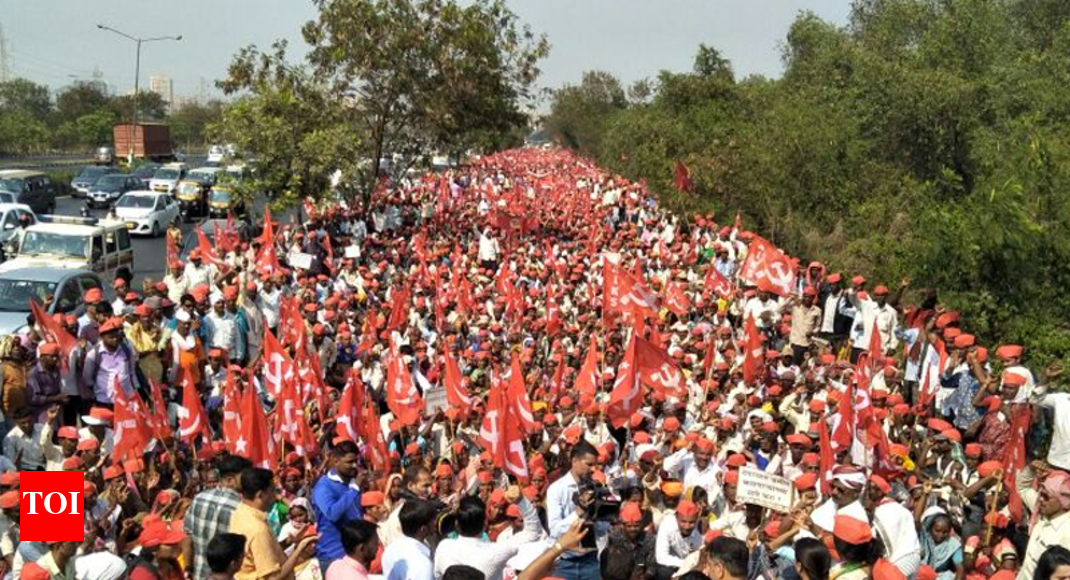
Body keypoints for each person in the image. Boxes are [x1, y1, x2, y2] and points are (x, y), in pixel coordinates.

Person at [228, 467, 320, 580]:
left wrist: (289, 541)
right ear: (260, 495)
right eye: (273, 490)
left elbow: (262, 551)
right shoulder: (258, 530)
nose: (276, 495)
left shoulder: (240, 511)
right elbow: (273, 577)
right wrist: (300, 549)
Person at [433, 489, 543, 580]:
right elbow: (533, 532)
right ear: (484, 523)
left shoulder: (444, 548)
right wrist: (521, 501)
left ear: (457, 523)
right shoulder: (495, 552)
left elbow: (437, 576)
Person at [182, 455, 253, 580]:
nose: (249, 480)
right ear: (231, 479)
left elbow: (187, 538)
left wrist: (188, 569)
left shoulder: (199, 498)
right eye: (245, 477)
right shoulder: (242, 507)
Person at [545, 440, 603, 580]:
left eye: (594, 465)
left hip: (590, 561)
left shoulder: (597, 487)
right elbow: (555, 530)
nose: (592, 469)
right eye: (589, 464)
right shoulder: (556, 489)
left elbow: (602, 528)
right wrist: (578, 511)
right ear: (575, 460)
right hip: (564, 563)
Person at [312, 441, 364, 571]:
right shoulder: (323, 487)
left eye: (356, 461)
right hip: (333, 556)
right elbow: (332, 514)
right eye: (349, 462)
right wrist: (355, 488)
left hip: (355, 554)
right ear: (335, 461)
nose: (354, 466)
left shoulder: (352, 482)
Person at [381, 500, 437, 580]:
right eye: (433, 521)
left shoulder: (390, 549)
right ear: (423, 529)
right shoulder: (422, 564)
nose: (436, 523)